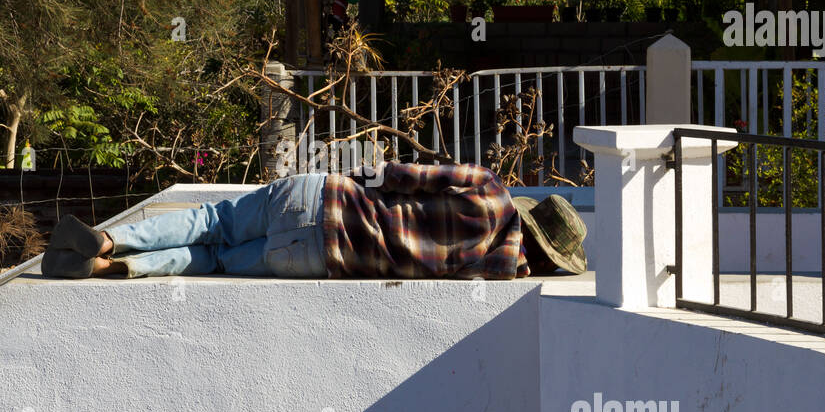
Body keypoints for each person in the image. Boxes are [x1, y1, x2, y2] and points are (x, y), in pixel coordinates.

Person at [41, 161, 586, 280]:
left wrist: (354, 174)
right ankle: (124, 269)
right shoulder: (493, 273)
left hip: (321, 198)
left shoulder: (489, 188)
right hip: (321, 259)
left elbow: (397, 174)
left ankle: (110, 239)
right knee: (214, 262)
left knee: (213, 219)